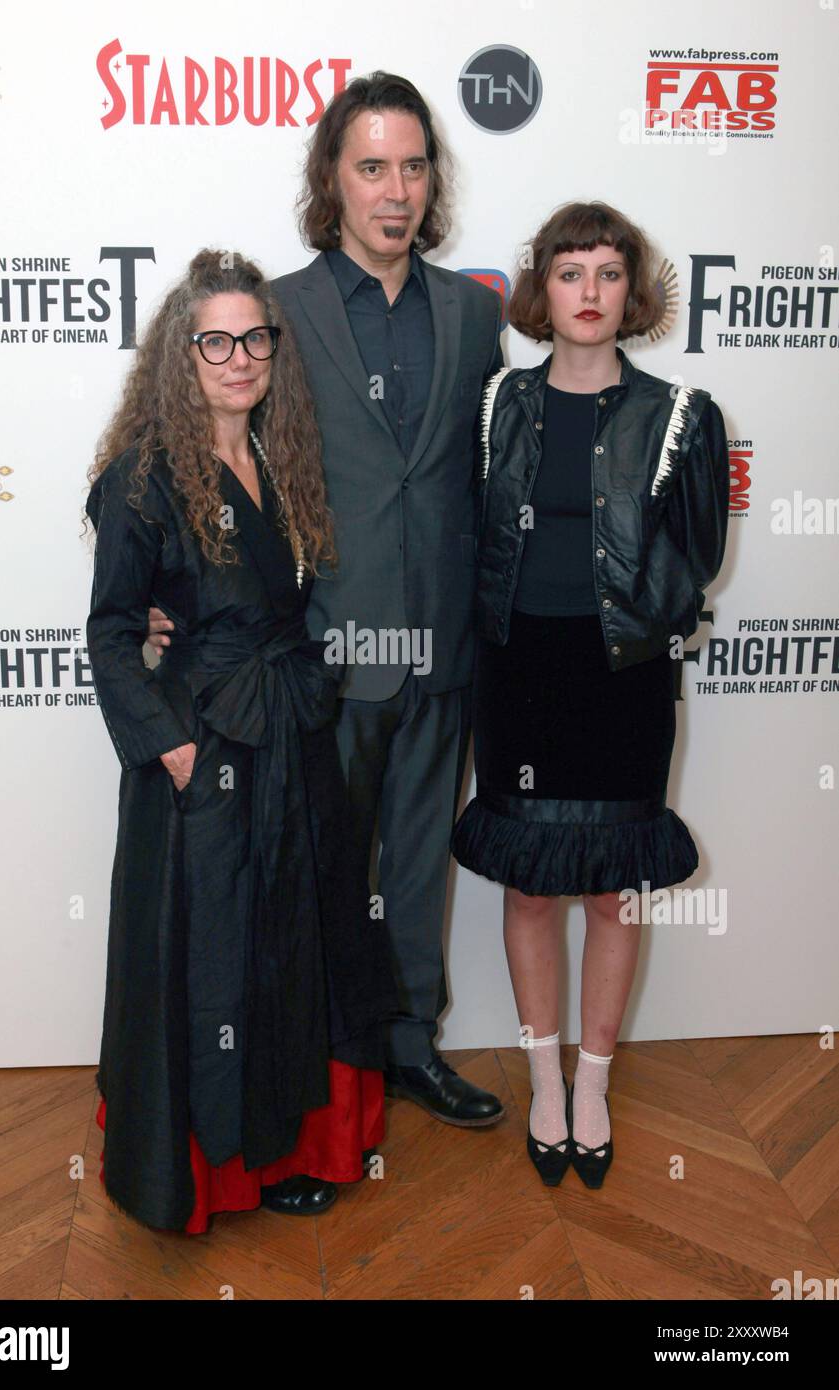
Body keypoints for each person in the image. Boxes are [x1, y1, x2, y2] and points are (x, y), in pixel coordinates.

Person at [149, 74, 506, 1127]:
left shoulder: (478, 314)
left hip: (440, 645)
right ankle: (317, 1073)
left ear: (430, 179)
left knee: (417, 870)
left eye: (411, 166)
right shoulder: (281, 314)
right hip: (319, 651)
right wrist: (165, 592)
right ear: (333, 179)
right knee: (311, 877)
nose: (394, 191)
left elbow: (479, 478)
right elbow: (205, 448)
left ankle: (408, 1049)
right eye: (370, 167)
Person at [84, 249, 398, 1234]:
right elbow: (109, 629)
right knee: (213, 958)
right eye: (214, 339)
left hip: (291, 745)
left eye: (253, 337)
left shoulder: (279, 457)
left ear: (272, 348)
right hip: (202, 757)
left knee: (292, 948)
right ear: (181, 352)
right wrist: (169, 747)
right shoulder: (141, 477)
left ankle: (285, 1150)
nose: (237, 357)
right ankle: (207, 1169)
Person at [451, 201, 730, 1188]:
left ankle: (595, 1081)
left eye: (608, 274)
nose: (589, 293)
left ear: (631, 292)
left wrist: (643, 628)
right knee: (532, 883)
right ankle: (543, 1077)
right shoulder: (499, 404)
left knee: (612, 888)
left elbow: (696, 556)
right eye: (570, 273)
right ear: (544, 289)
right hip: (520, 668)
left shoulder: (681, 413)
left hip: (621, 677)